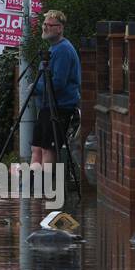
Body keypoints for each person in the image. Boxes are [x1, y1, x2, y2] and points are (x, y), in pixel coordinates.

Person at [34, 9, 81, 166]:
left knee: (48, 149)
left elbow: (58, 83)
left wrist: (35, 88)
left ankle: (45, 186)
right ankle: (33, 183)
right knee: (37, 148)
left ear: (59, 28)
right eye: (44, 24)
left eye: (50, 24)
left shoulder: (63, 50)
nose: (45, 27)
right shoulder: (53, 48)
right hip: (47, 106)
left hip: (59, 107)